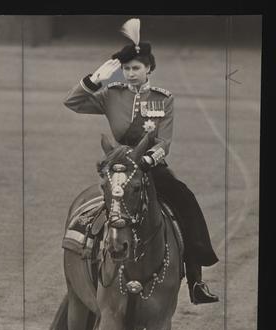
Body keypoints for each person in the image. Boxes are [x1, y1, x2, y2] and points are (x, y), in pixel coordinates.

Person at [63, 19, 219, 305]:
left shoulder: (163, 99)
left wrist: (147, 159)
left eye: (136, 68)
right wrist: (94, 79)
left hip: (150, 166)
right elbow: (72, 103)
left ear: (149, 69)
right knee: (99, 209)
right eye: (127, 68)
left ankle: (196, 281)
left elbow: (164, 142)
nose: (131, 73)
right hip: (119, 165)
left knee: (185, 200)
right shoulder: (111, 94)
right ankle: (84, 258)